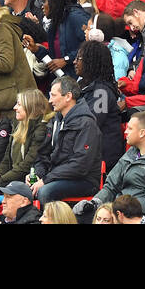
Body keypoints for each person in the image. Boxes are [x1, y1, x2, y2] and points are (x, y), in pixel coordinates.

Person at [31, 76, 102, 204]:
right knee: (21, 189)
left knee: (45, 191)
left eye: (53, 95)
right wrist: (37, 174)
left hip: (84, 180)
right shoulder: (55, 121)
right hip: (56, 176)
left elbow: (80, 165)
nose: (50, 100)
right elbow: (43, 155)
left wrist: (46, 179)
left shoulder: (87, 124)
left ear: (68, 96)